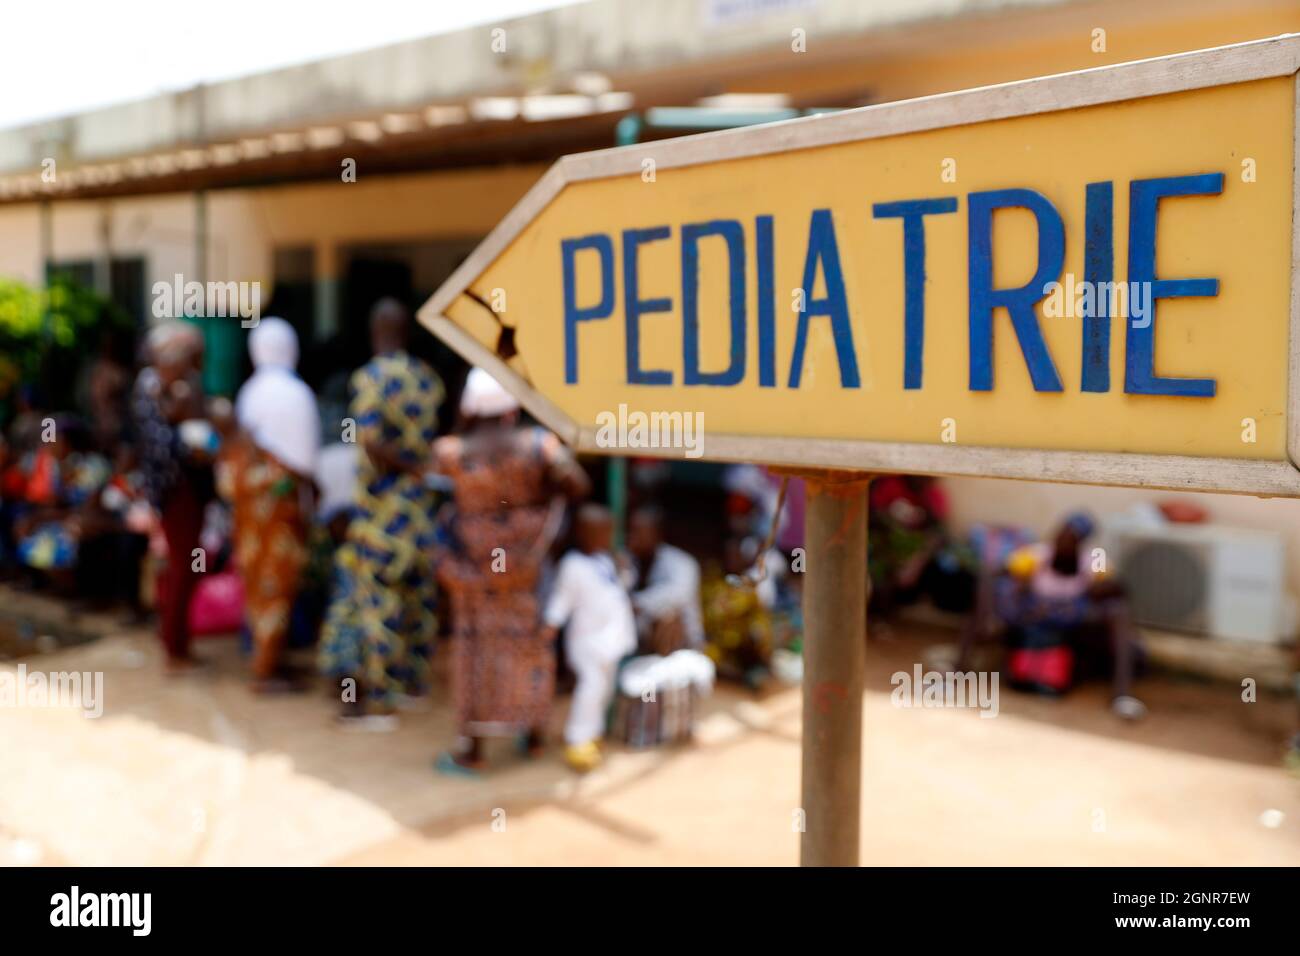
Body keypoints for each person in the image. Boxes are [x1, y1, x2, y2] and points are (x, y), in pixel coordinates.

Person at [432, 367, 590, 773]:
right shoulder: (538, 446)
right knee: (530, 645)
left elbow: (430, 489)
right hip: (526, 568)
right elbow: (576, 482)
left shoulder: (452, 453)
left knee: (475, 651)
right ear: (510, 409)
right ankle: (533, 736)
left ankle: (473, 750)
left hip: (473, 571)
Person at [319, 299, 443, 727]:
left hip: (382, 515)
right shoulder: (427, 379)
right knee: (417, 601)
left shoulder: (370, 377)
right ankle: (413, 686)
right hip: (420, 513)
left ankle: (380, 701)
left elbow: (369, 440)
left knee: (378, 607)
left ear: (375, 332)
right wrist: (421, 470)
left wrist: (406, 466)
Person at [219, 318, 320, 692]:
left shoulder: (248, 392)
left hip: (249, 512)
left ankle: (269, 659)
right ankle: (265, 670)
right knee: (279, 583)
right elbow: (306, 464)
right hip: (282, 508)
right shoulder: (298, 394)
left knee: (259, 583)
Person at [131, 321, 213, 672]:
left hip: (177, 489)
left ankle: (175, 638)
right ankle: (174, 647)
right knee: (183, 566)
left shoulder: (168, 388)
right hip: (176, 490)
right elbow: (179, 446)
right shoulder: (159, 388)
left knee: (182, 564)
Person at [542, 504, 637, 773]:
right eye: (601, 532)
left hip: (612, 641)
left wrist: (625, 569)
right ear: (584, 534)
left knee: (604, 690)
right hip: (587, 642)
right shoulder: (573, 565)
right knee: (591, 688)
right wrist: (551, 623)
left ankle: (593, 734)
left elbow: (621, 588)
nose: (607, 537)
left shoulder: (607, 561)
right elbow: (562, 599)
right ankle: (577, 739)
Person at [624, 504, 703, 655]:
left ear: (656, 534)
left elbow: (677, 596)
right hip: (639, 645)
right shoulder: (628, 560)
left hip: (682, 647)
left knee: (668, 615)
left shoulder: (681, 562)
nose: (632, 537)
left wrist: (636, 603)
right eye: (630, 531)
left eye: (639, 532)